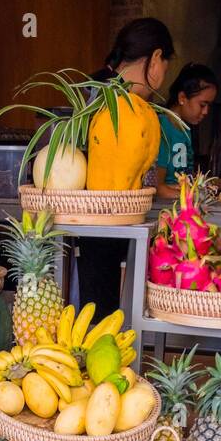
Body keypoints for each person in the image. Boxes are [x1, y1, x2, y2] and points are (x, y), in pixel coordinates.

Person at [76, 18, 174, 316]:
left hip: (95, 229)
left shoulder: (94, 92)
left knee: (100, 317)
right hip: (106, 229)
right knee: (105, 317)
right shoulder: (121, 104)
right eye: (166, 66)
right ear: (156, 58)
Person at [157, 63, 219, 198]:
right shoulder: (163, 127)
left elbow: (187, 176)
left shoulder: (185, 129)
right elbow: (157, 187)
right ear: (182, 98)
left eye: (209, 106)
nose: (206, 112)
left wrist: (215, 182)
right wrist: (190, 197)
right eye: (202, 105)